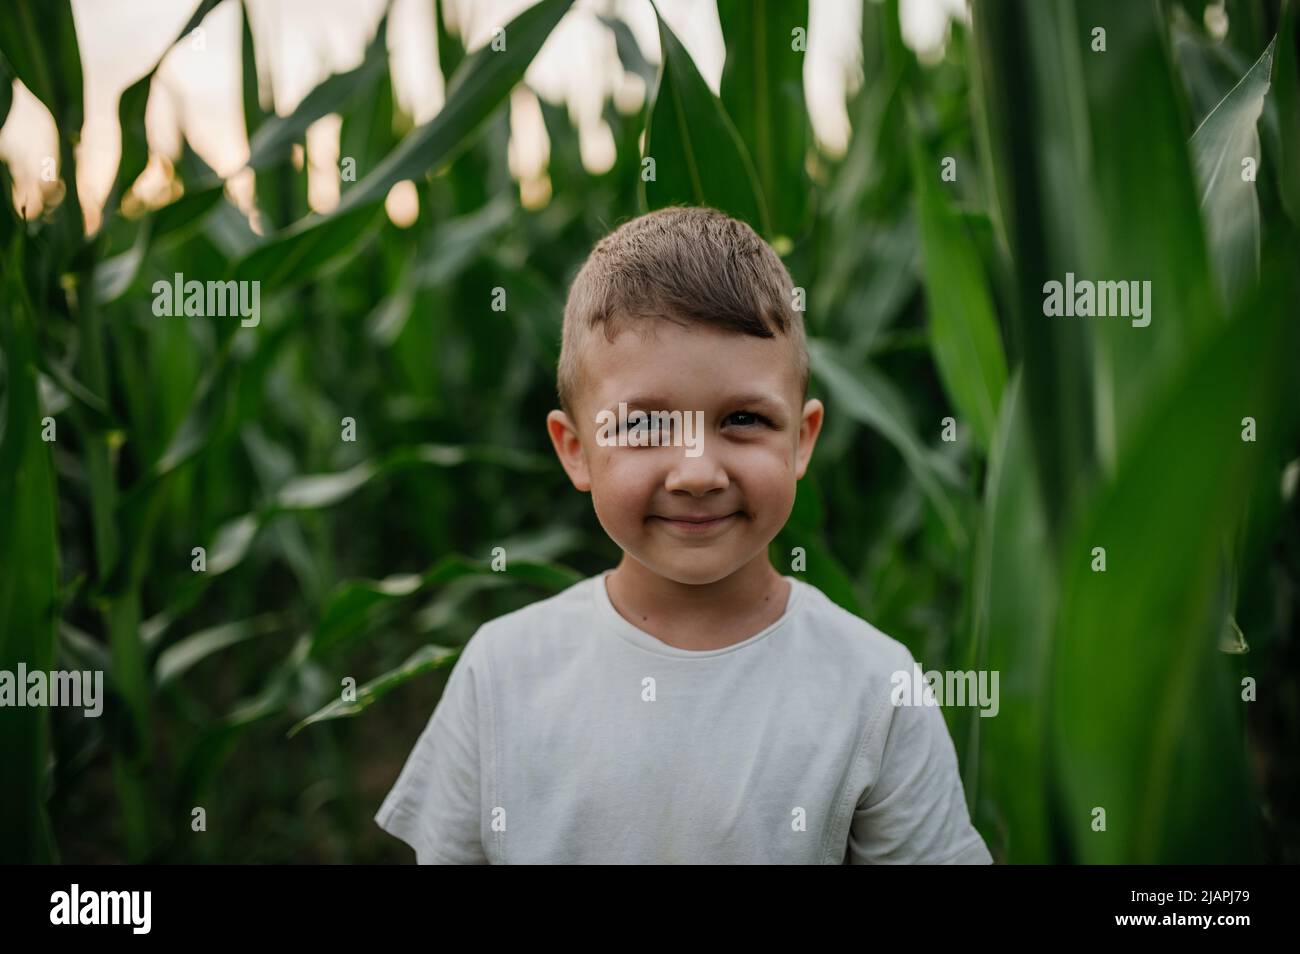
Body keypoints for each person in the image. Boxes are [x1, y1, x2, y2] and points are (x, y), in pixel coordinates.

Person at [375, 206, 993, 864]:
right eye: (644, 427)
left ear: (803, 439)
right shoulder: (500, 674)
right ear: (575, 448)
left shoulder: (877, 688)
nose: (697, 472)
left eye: (744, 419)